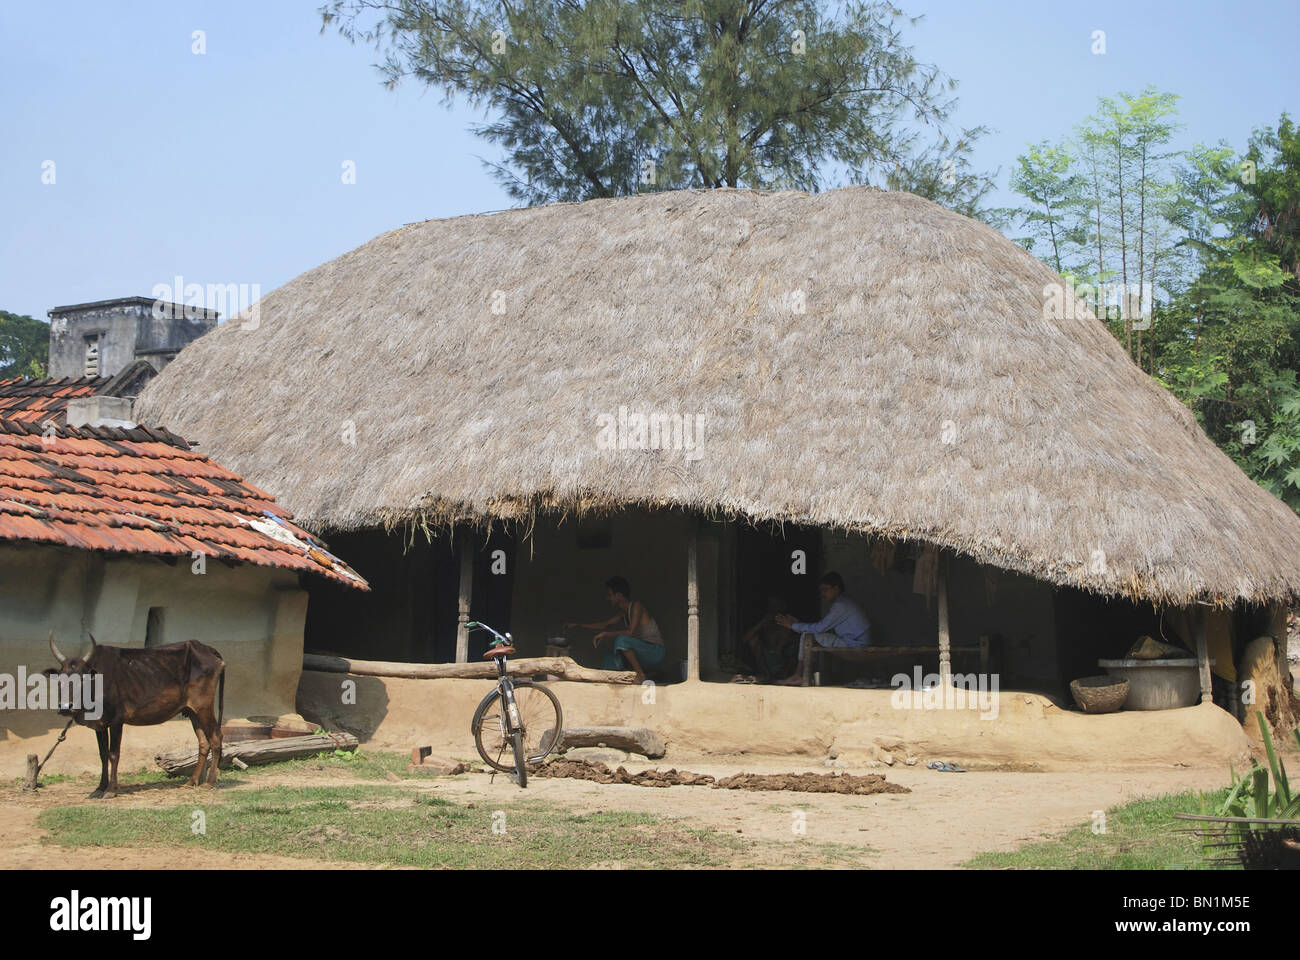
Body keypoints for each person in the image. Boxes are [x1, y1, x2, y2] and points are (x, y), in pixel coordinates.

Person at [775, 572, 870, 685]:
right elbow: (822, 628)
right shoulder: (843, 603)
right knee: (810, 635)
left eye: (825, 590)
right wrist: (799, 624)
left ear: (836, 588)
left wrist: (793, 626)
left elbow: (820, 628)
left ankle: (799, 675)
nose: (822, 594)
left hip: (855, 645)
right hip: (854, 642)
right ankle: (804, 675)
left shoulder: (841, 605)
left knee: (807, 635)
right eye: (821, 591)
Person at [565, 576, 665, 682]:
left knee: (622, 640)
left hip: (655, 653)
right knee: (609, 658)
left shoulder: (637, 606)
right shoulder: (623, 614)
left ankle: (641, 676)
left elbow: (630, 632)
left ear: (619, 595)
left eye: (610, 595)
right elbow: (603, 624)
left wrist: (605, 634)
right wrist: (578, 625)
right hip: (643, 653)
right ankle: (639, 677)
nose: (608, 598)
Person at [735, 594, 793, 682]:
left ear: (783, 607)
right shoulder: (765, 622)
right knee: (753, 640)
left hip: (784, 660)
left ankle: (783, 676)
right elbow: (744, 639)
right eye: (771, 606)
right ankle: (766, 675)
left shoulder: (788, 621)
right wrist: (762, 622)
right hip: (766, 661)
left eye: (776, 606)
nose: (773, 609)